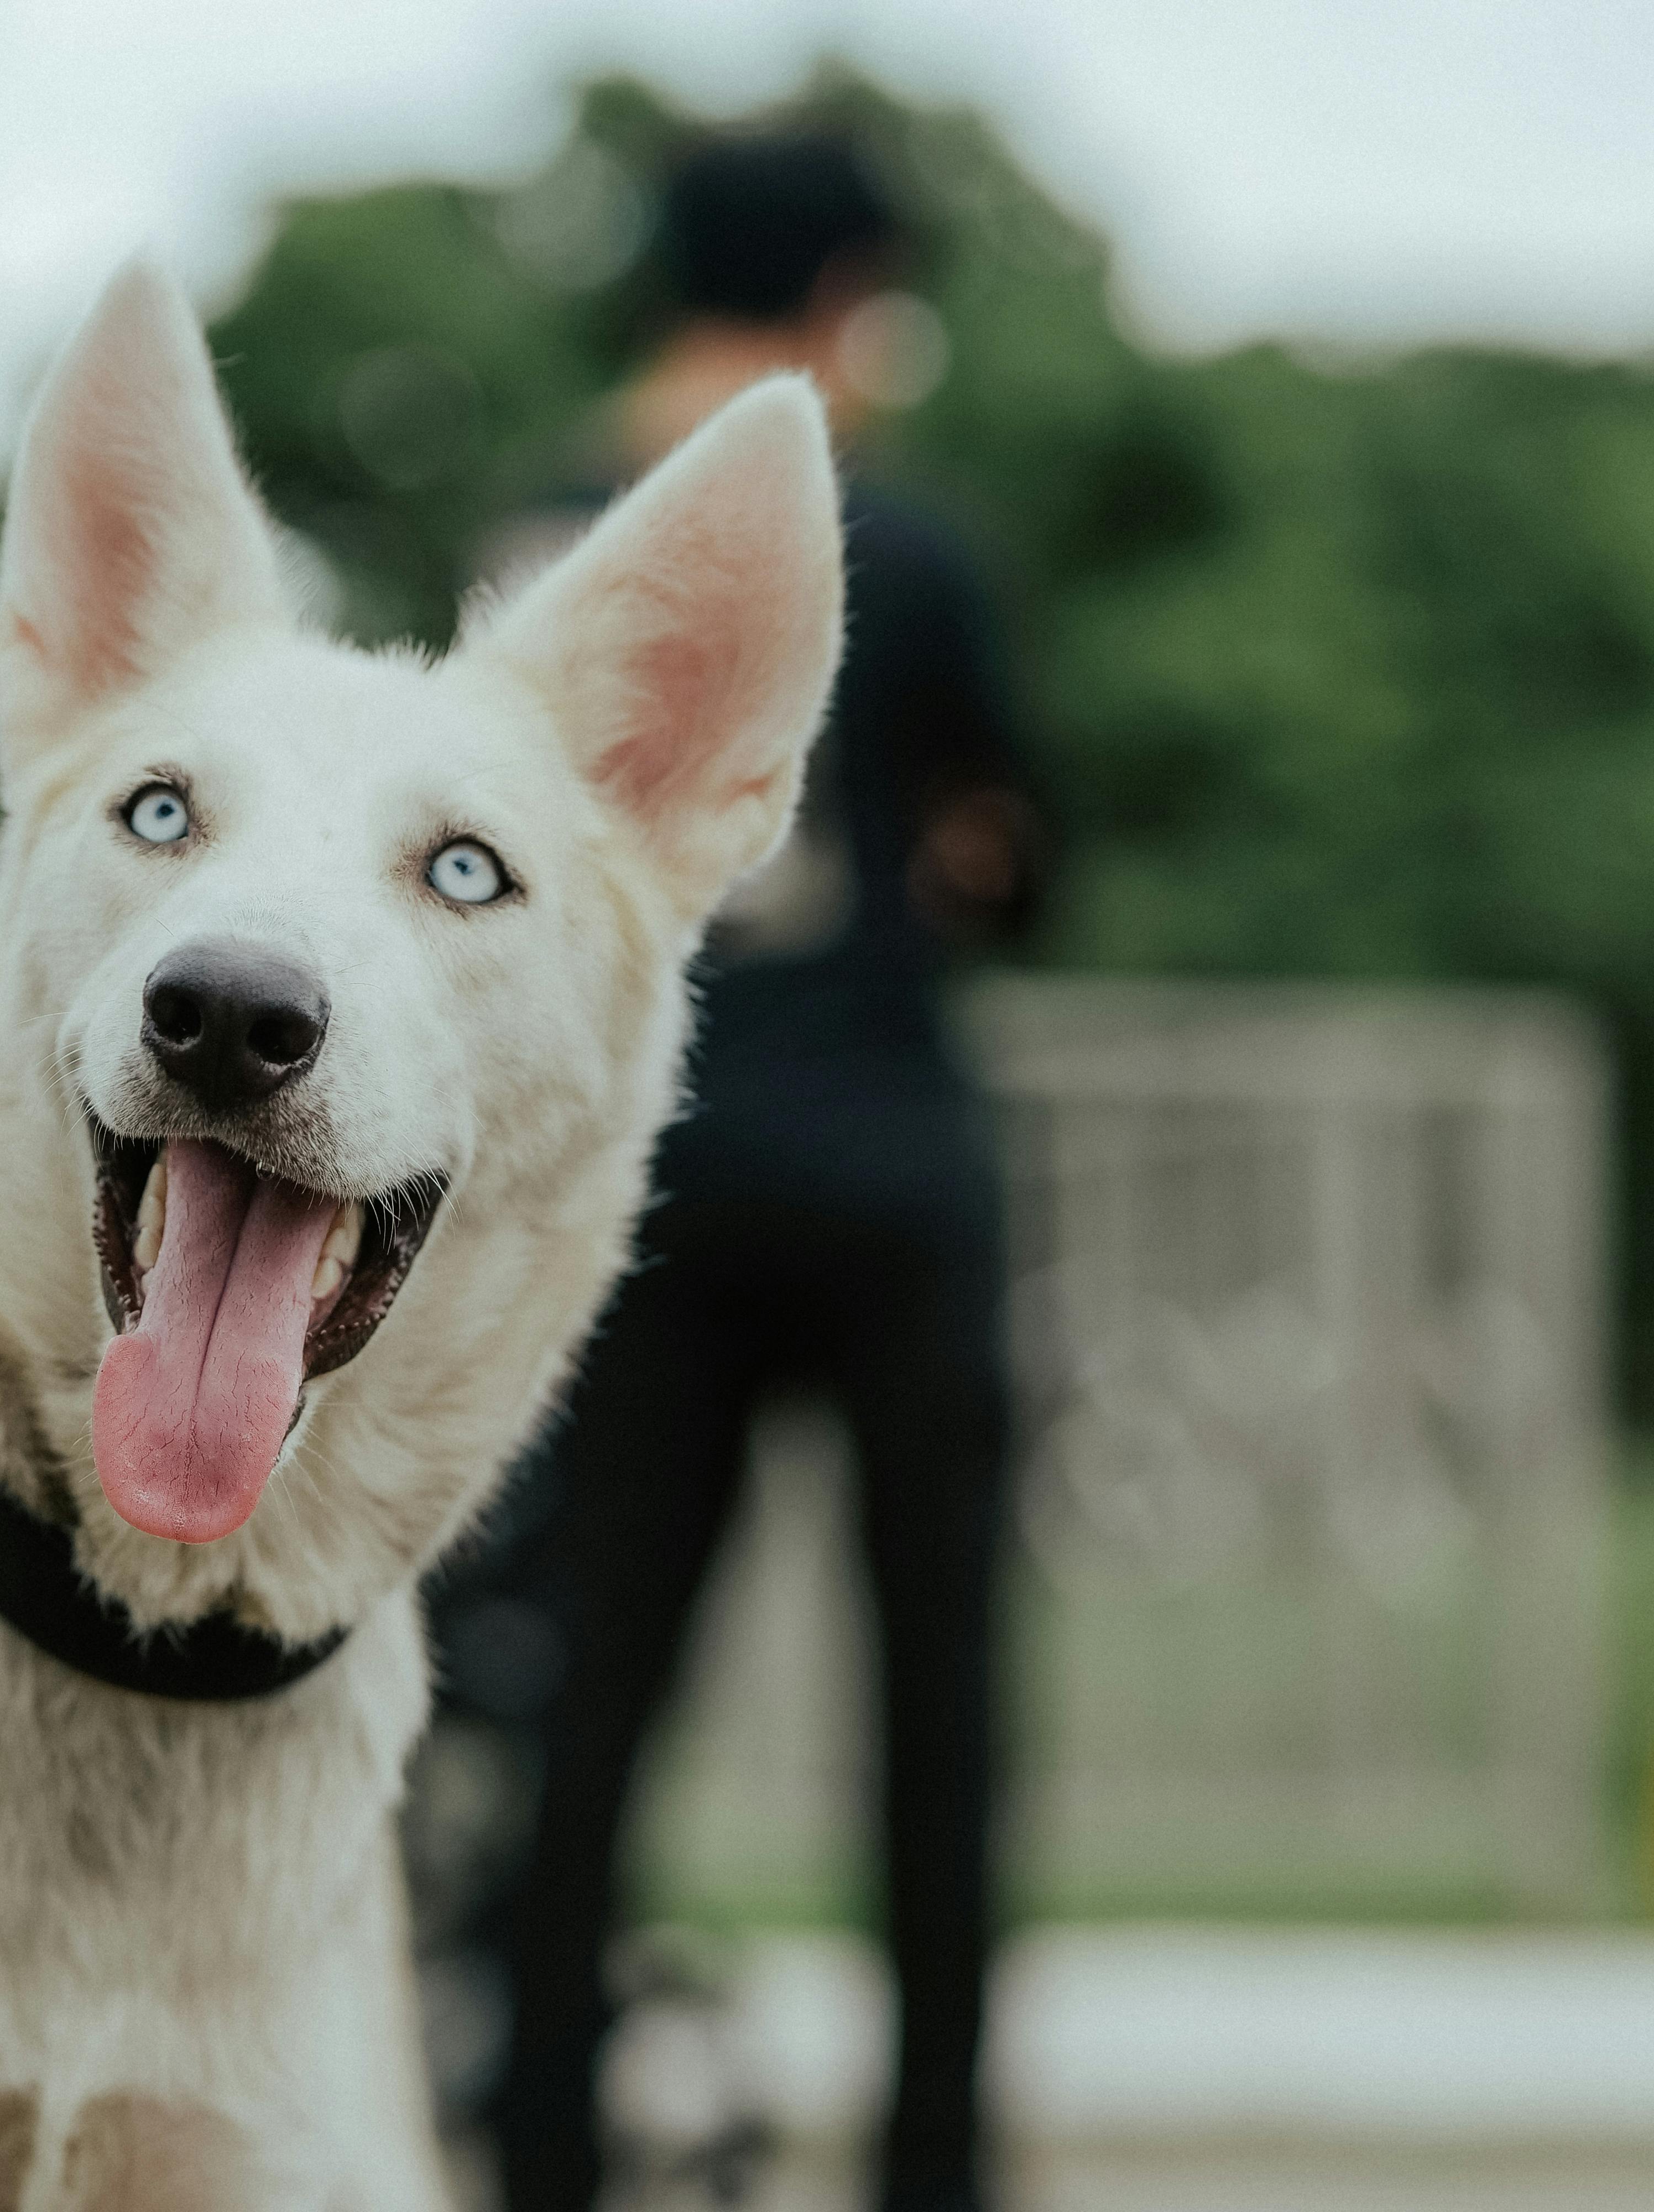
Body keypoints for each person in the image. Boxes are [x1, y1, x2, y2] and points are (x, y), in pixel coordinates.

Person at [423, 135, 1051, 2212]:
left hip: (644, 1189)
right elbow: (1012, 846)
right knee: (936, 1704)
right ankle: (938, 2164)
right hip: (887, 1170)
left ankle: (534, 2148)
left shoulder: (538, 531)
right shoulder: (906, 542)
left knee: (586, 1691)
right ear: (850, 293)